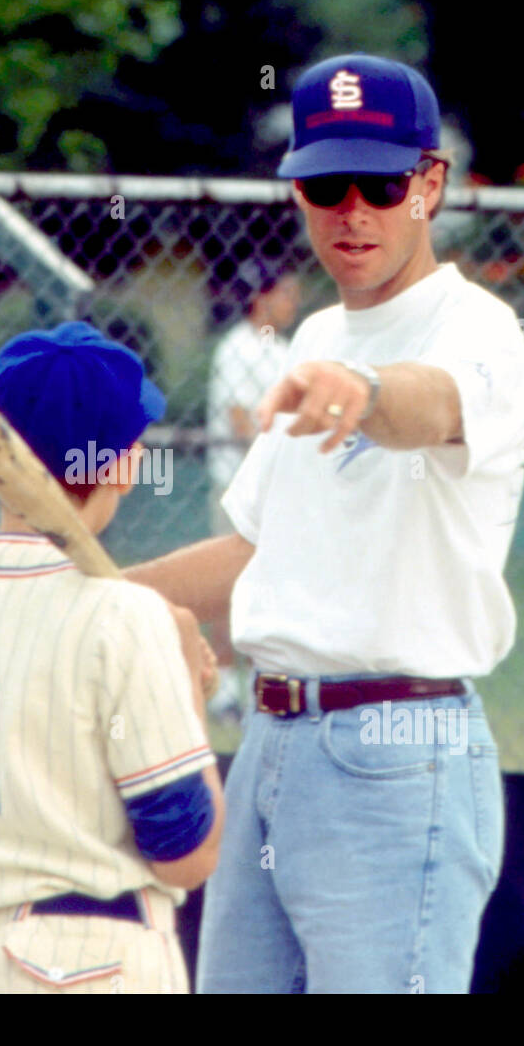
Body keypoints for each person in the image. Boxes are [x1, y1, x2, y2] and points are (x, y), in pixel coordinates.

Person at [126, 54, 524, 993]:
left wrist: (369, 392)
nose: (352, 209)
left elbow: (431, 407)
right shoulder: (314, 338)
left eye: (382, 183)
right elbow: (256, 557)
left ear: (429, 184)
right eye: (325, 183)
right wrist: (91, 594)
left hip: (396, 753)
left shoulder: (478, 329)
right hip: (272, 740)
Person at [0, 321, 225, 994]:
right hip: (92, 959)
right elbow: (186, 853)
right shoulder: (124, 615)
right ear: (123, 461)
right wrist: (183, 689)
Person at [204, 262, 301, 721]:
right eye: (284, 293)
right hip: (236, 484)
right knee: (227, 588)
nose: (292, 303)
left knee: (274, 589)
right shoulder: (236, 348)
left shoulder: (286, 351)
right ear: (260, 298)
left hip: (281, 490)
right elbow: (242, 420)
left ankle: (265, 687)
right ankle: (224, 690)